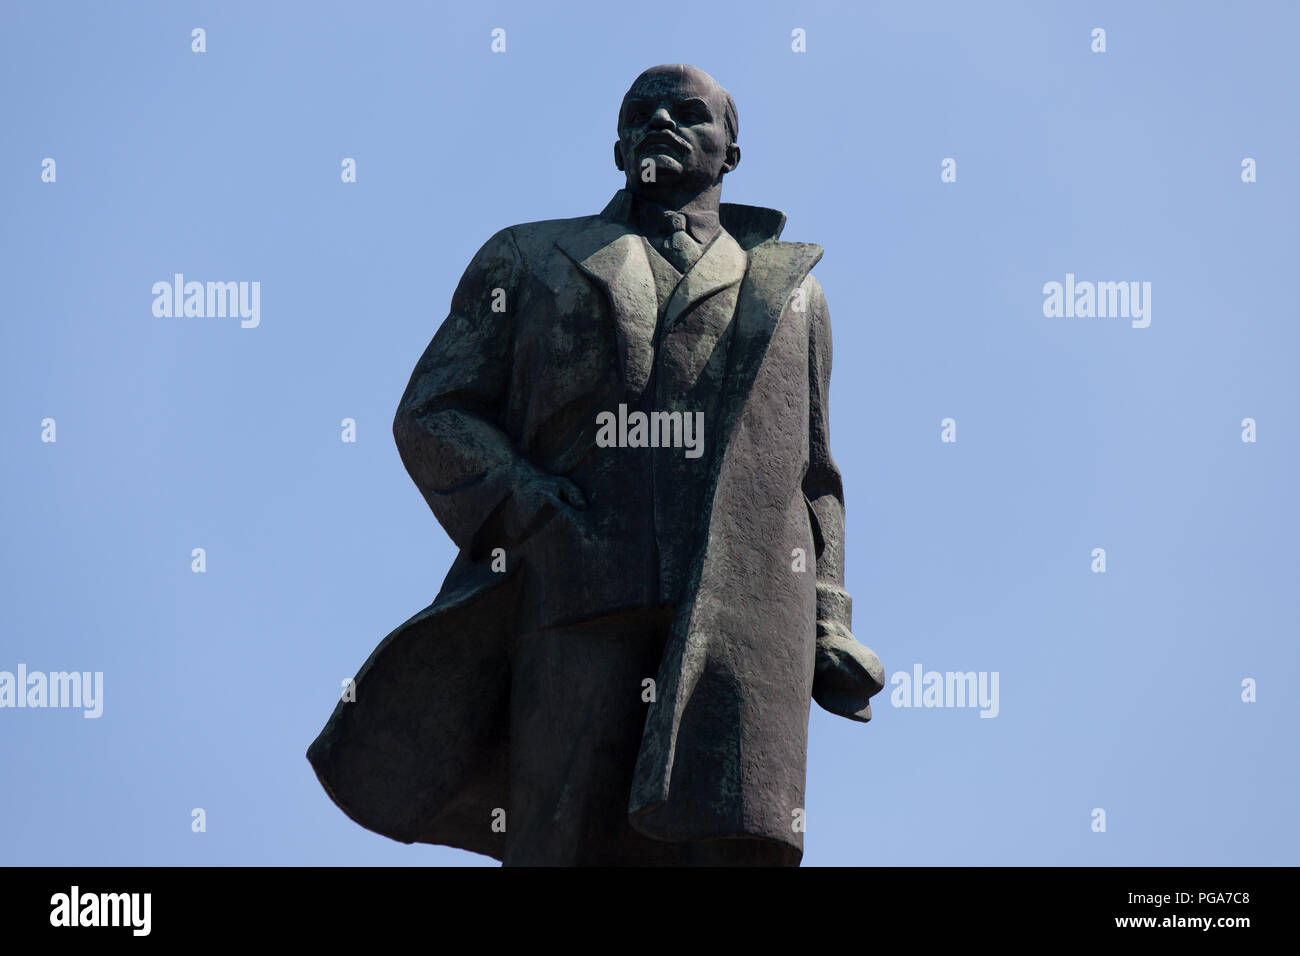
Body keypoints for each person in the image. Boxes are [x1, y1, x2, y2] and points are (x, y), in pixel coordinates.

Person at [308, 64, 885, 866]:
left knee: (726, 850)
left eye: (689, 113)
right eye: (640, 113)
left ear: (732, 152)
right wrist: (532, 509)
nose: (661, 121)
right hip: (576, 593)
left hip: (745, 615)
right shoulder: (529, 257)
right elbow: (433, 413)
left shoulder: (795, 295)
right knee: (557, 841)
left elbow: (814, 474)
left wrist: (830, 619)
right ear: (618, 148)